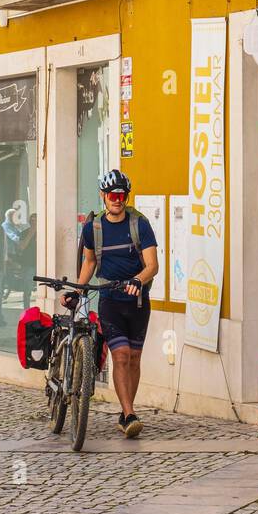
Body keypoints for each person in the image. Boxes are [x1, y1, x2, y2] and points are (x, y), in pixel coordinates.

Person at [71, 170, 158, 438]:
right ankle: (129, 414)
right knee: (120, 355)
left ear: (126, 197)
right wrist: (78, 291)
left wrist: (138, 280)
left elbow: (152, 265)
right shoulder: (93, 228)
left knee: (134, 359)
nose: (117, 200)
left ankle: (125, 411)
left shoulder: (140, 224)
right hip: (109, 301)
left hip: (137, 301)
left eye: (121, 195)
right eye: (112, 195)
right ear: (103, 196)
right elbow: (89, 262)